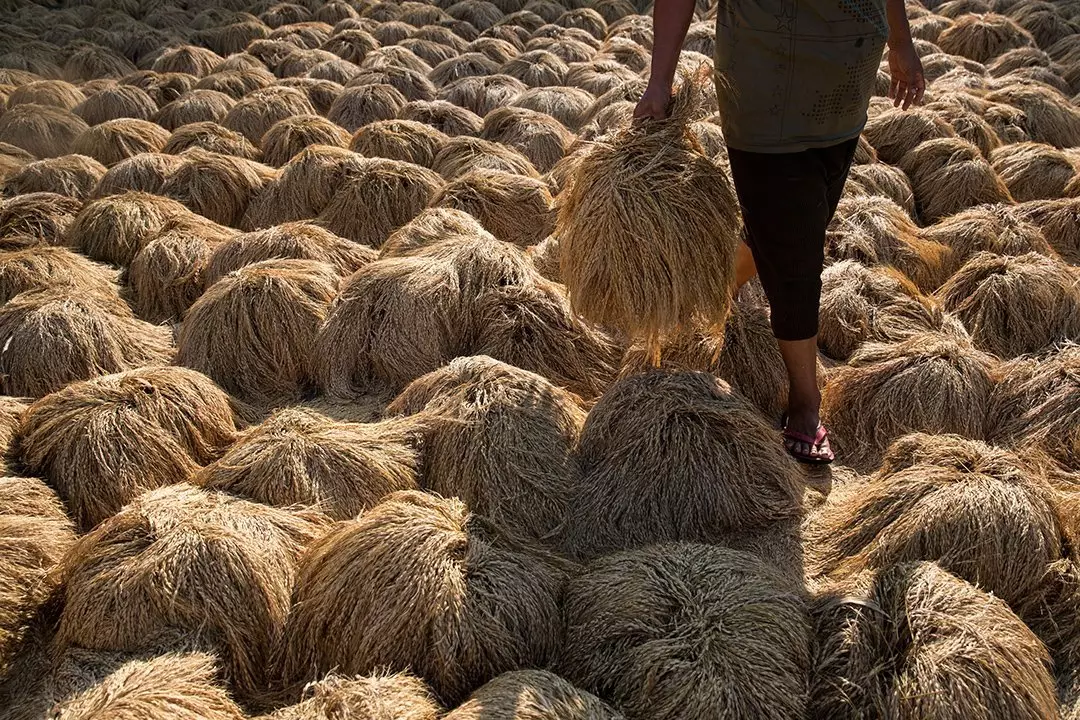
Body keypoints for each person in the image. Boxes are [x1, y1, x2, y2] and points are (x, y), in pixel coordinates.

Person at [635, 0, 924, 464]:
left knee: (785, 228)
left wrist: (901, 41)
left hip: (845, 89)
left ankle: (704, 294)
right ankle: (805, 406)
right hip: (766, 88)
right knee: (796, 259)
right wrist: (659, 81)